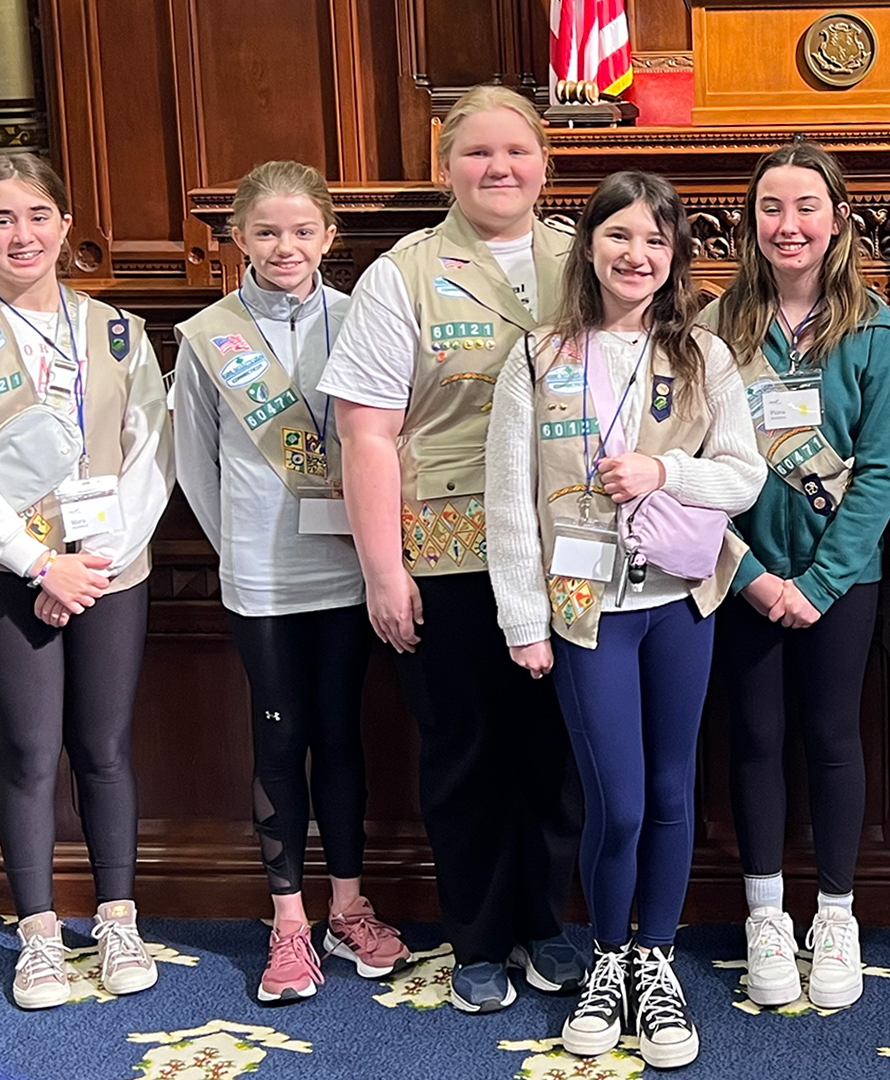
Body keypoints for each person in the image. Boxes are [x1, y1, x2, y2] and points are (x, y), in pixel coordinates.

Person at [486, 170, 763, 1070]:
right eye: (618, 237)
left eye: (655, 240)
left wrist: (664, 472)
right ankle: (608, 957)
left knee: (676, 792)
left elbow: (744, 477)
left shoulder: (701, 357)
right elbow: (508, 501)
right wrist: (523, 618)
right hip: (584, 608)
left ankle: (658, 961)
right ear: (589, 247)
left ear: (675, 254)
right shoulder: (538, 356)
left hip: (680, 600)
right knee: (621, 797)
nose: (636, 255)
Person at [317, 86, 584, 1013]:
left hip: (566, 551)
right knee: (465, 751)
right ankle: (476, 937)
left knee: (555, 751)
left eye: (517, 150)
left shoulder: (587, 258)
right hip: (448, 552)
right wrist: (383, 569)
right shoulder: (406, 273)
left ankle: (547, 926)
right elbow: (367, 434)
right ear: (444, 166)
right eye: (477, 152)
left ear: (546, 164)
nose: (499, 168)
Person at [0, 152, 173, 1009]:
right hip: (4, 575)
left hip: (108, 569)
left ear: (65, 224)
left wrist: (85, 567)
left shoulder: (120, 333)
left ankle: (119, 919)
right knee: (27, 755)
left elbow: (149, 457)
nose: (21, 234)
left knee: (103, 749)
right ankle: (40, 937)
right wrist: (36, 564)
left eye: (36, 215)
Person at [173, 160, 410, 1004]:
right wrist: (239, 546)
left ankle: (348, 905)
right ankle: (287, 922)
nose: (286, 247)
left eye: (303, 230)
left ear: (329, 238)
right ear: (238, 237)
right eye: (267, 231)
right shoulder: (208, 335)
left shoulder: (362, 320)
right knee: (280, 742)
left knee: (342, 736)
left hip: (348, 570)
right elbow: (193, 466)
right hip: (263, 575)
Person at [700, 139, 890, 1011]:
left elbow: (884, 470)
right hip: (740, 576)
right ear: (751, 222)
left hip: (841, 583)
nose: (790, 226)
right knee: (751, 740)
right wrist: (751, 574)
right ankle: (762, 913)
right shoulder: (713, 328)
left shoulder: (875, 332)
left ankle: (834, 911)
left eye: (807, 208)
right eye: (772, 208)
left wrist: (819, 584)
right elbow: (690, 460)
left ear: (839, 220)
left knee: (830, 740)